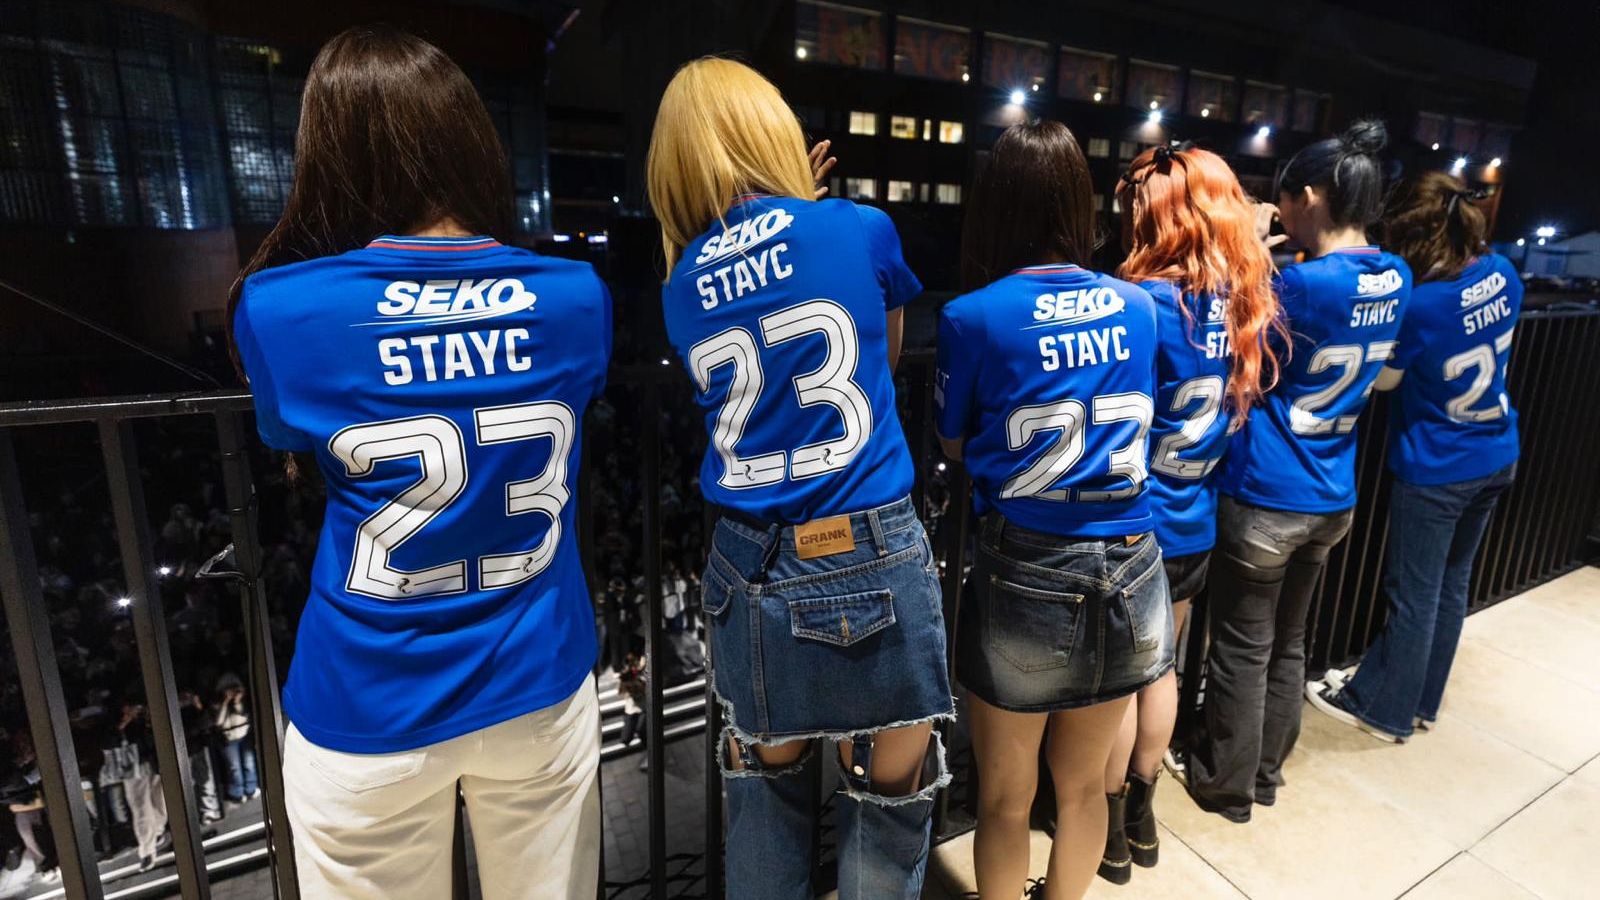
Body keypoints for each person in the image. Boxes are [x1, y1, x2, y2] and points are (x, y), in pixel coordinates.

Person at [229, 25, 609, 899]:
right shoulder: (574, 296)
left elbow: (291, 437)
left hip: (369, 702)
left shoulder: (281, 307)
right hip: (538, 684)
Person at [647, 58, 951, 899]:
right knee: (887, 810)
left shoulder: (680, 286)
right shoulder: (857, 228)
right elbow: (880, 360)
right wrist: (808, 212)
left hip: (750, 565)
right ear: (770, 132)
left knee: (766, 805)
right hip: (869, 549)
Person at [938, 121, 1173, 900]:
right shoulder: (1139, 306)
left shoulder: (973, 315)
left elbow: (956, 442)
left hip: (1027, 570)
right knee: (1082, 792)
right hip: (1135, 563)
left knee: (1004, 800)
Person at [1182, 120, 1410, 823]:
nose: (1279, 211)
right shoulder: (1395, 276)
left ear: (1309, 195)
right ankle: (1267, 772)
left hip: (1267, 492)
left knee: (1242, 648)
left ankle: (1226, 784)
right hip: (1333, 492)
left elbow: (1220, 314)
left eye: (1283, 200)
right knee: (1291, 643)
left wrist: (1246, 241)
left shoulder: (1303, 285)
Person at [1099, 144, 1281, 882]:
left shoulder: (1139, 302)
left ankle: (1105, 824)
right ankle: (1143, 814)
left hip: (1132, 523)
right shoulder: (1241, 298)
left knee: (1115, 683)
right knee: (1164, 671)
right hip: (1193, 521)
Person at [1305, 172, 1520, 741]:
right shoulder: (1502, 272)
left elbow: (1386, 382)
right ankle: (1422, 700)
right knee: (1452, 584)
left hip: (1439, 464)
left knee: (1415, 592)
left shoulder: (1424, 304)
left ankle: (1385, 709)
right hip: (1497, 449)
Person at [212, 675, 257, 805]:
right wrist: (224, 703)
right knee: (234, 768)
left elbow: (244, 714)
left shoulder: (244, 700)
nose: (232, 693)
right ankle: (237, 793)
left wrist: (237, 702)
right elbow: (218, 722)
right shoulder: (217, 704)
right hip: (228, 738)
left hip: (244, 734)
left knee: (249, 763)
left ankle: (251, 789)